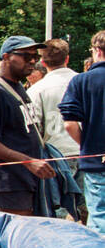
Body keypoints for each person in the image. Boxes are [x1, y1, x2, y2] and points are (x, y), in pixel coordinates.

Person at [0, 37, 54, 216]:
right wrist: (28, 161)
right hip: (8, 181)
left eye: (35, 57)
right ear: (6, 57)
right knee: (17, 234)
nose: (32, 61)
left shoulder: (17, 87)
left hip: (26, 178)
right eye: (25, 56)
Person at [59, 31, 105, 233]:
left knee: (99, 215)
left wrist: (86, 145)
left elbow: (69, 123)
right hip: (95, 159)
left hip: (95, 160)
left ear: (96, 51)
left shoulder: (81, 81)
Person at [28, 39, 80, 202]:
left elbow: (34, 127)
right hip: (85, 152)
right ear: (67, 58)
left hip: (55, 155)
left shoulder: (36, 90)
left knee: (57, 211)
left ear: (42, 62)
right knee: (92, 212)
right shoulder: (84, 82)